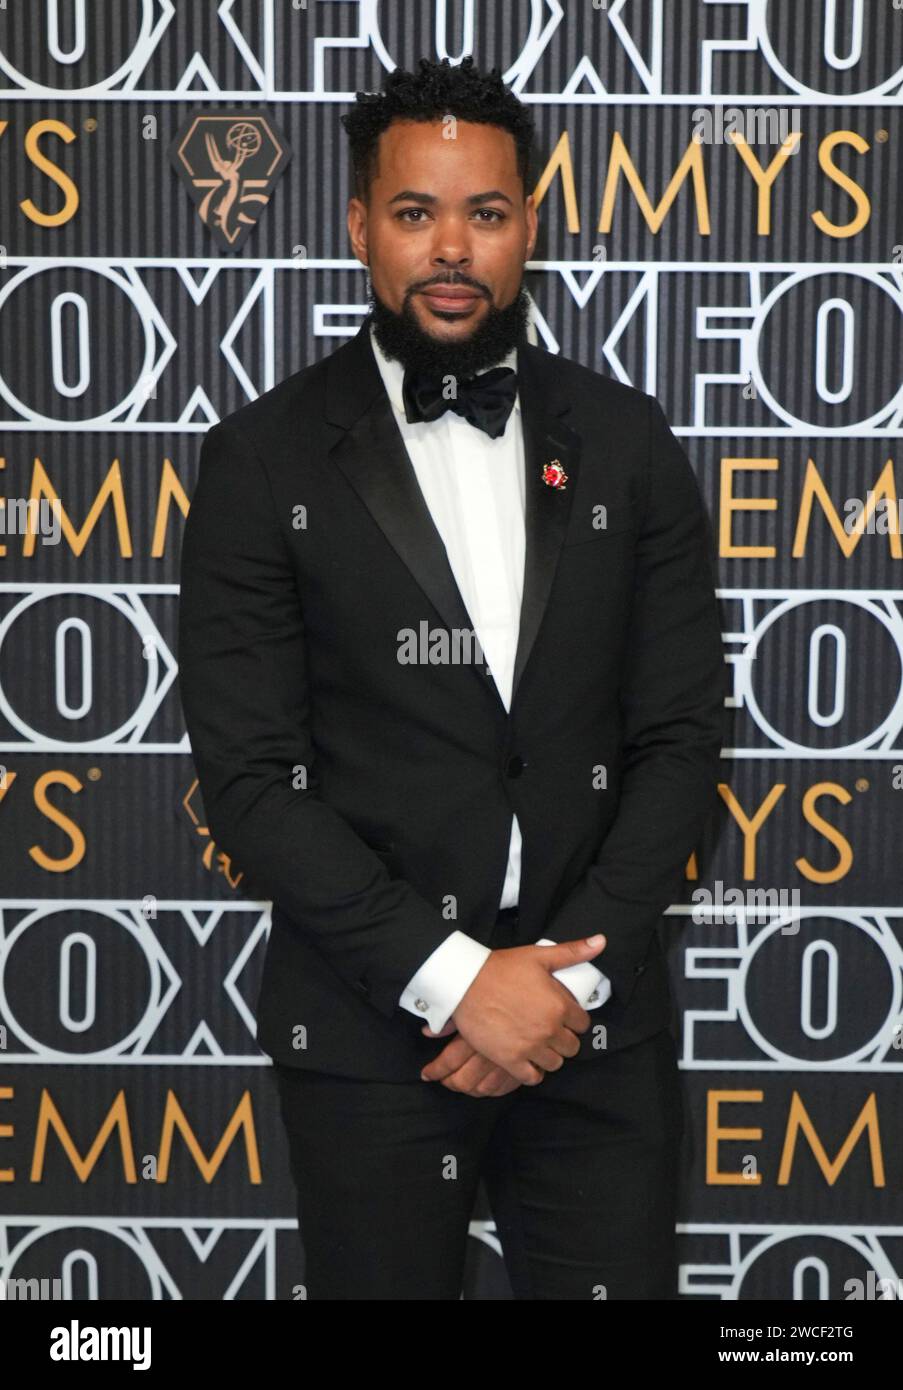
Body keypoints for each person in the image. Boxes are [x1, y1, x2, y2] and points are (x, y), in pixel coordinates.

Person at [177, 56, 727, 1300]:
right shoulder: (263, 460)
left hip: (598, 1031)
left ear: (529, 221)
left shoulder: (629, 442)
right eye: (416, 212)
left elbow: (684, 739)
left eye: (485, 212)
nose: (451, 249)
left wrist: (562, 984)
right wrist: (466, 983)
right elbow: (254, 784)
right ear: (361, 224)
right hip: (375, 1042)